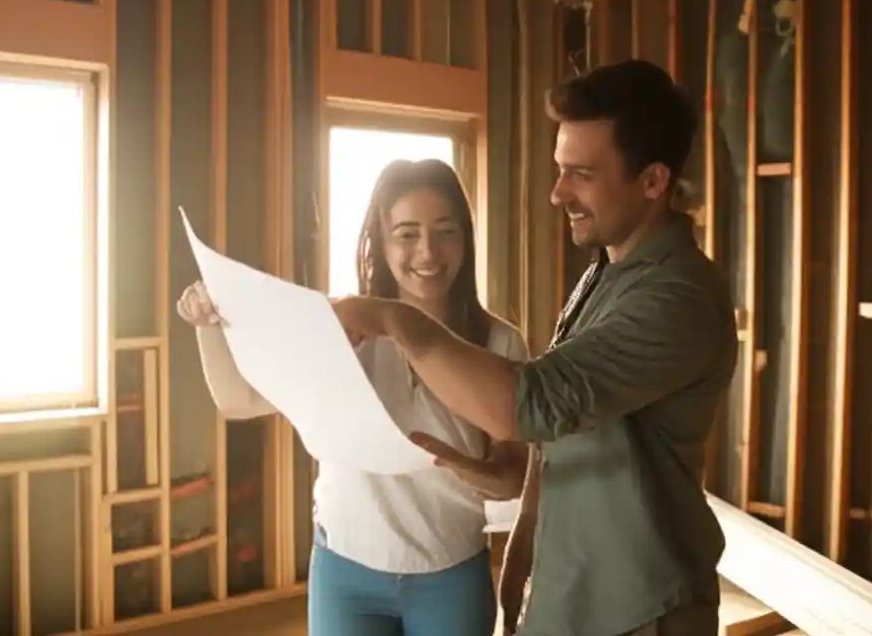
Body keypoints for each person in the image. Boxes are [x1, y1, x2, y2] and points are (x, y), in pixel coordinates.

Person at [332, 59, 738, 636]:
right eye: (559, 169)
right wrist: (527, 541)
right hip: (575, 591)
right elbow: (559, 436)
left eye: (582, 174)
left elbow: (529, 405)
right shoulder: (608, 270)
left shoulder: (677, 298)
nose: (557, 192)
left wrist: (394, 319)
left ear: (653, 182)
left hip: (642, 608)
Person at [176, 159, 530, 636]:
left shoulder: (499, 343)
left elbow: (513, 479)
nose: (427, 251)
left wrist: (467, 468)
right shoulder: (342, 326)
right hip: (346, 571)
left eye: (446, 232)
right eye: (406, 234)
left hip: (450, 571)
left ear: (466, 239)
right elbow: (238, 402)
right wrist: (208, 328)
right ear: (380, 245)